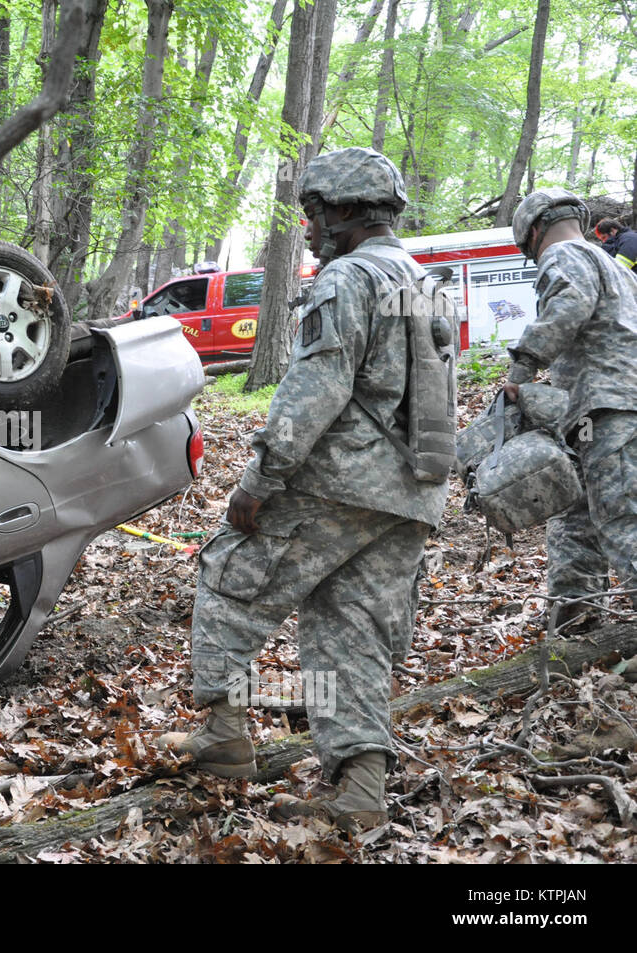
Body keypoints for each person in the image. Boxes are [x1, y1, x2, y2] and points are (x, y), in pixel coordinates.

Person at [173, 147, 451, 834]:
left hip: (340, 479)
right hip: (412, 493)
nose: (307, 229)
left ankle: (224, 730)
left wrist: (257, 481)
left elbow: (313, 390)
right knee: (349, 629)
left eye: (314, 214)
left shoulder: (346, 279)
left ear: (347, 213)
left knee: (228, 572)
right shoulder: (424, 281)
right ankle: (361, 791)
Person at [504, 190, 637, 613]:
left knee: (623, 517)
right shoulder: (617, 269)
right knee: (575, 511)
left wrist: (522, 368)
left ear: (535, 232)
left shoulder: (562, 256)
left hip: (608, 407)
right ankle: (574, 612)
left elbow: (568, 305)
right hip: (594, 412)